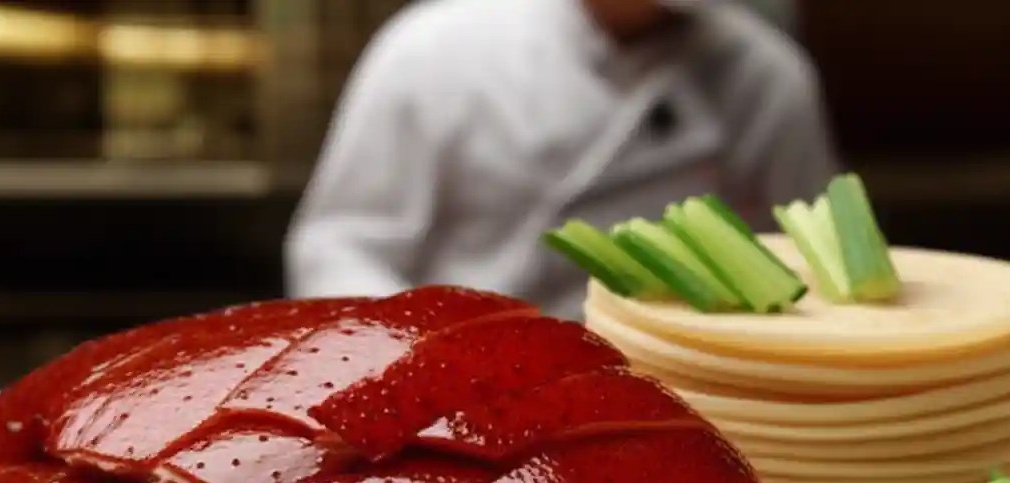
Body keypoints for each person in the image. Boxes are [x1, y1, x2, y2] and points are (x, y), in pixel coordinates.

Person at [284, 0, 839, 318]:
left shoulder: (767, 76)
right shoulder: (433, 47)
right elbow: (340, 243)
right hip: (449, 380)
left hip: (661, 400)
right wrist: (413, 349)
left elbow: (805, 265)